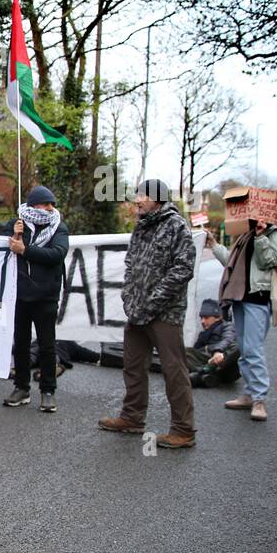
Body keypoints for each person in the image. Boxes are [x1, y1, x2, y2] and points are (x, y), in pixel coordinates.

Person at [98, 179, 197, 448]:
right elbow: (131, 264)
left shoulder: (176, 226)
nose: (137, 200)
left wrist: (153, 301)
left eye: (142, 195)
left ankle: (183, 430)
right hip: (137, 311)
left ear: (158, 199)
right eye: (137, 195)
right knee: (132, 365)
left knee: (174, 369)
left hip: (165, 313)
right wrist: (129, 297)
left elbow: (182, 269)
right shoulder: (141, 227)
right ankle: (132, 417)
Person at [208, 219, 277, 420]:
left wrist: (261, 237)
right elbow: (231, 264)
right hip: (239, 298)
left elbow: (271, 262)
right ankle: (250, 394)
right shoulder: (245, 234)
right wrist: (214, 245)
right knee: (243, 348)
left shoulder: (275, 234)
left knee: (253, 349)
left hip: (258, 299)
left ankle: (259, 399)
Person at [1, 185, 69, 412]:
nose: (50, 208)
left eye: (52, 204)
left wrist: (25, 250)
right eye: (44, 204)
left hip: (46, 295)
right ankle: (21, 387)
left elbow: (57, 254)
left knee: (47, 345)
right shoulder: (18, 224)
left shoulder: (59, 227)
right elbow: (5, 247)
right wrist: (14, 235)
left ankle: (48, 391)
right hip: (20, 295)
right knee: (20, 344)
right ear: (32, 205)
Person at [185, 298, 240, 389]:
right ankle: (206, 377)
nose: (202, 321)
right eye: (201, 318)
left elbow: (228, 340)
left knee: (238, 347)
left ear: (218, 317)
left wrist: (217, 351)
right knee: (182, 351)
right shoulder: (204, 334)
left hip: (226, 365)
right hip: (209, 362)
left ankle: (200, 373)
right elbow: (197, 351)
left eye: (206, 318)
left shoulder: (228, 326)